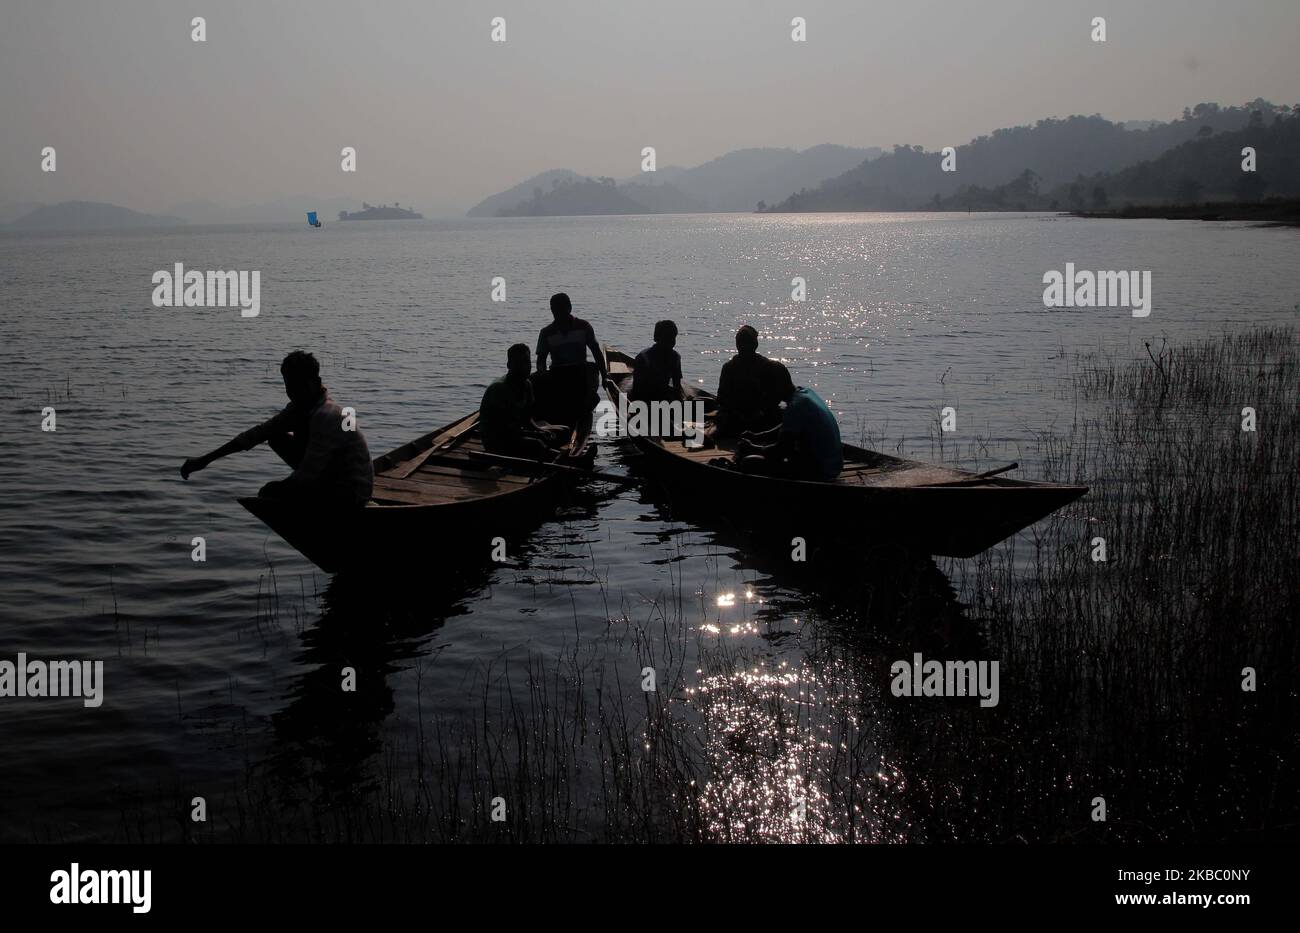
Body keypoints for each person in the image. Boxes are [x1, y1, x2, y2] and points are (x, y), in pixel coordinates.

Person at [180, 350, 373, 506]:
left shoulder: (327, 416)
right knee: (275, 436)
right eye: (289, 386)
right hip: (329, 480)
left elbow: (309, 471)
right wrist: (205, 459)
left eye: (299, 386)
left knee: (270, 491)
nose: (293, 392)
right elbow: (257, 434)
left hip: (352, 493)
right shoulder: (300, 408)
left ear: (315, 382)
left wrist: (280, 490)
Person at [734, 365, 843, 481]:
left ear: (776, 386)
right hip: (834, 466)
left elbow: (781, 451)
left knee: (749, 462)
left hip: (821, 472)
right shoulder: (804, 393)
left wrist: (752, 448)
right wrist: (759, 436)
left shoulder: (796, 407)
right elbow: (789, 426)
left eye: (766, 389)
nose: (764, 394)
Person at [480, 343, 570, 459]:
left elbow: (527, 419)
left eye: (527, 362)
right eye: (519, 363)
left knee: (564, 432)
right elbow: (503, 429)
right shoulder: (499, 389)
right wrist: (533, 434)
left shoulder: (527, 385)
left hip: (516, 433)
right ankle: (565, 459)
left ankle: (556, 455)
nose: (524, 366)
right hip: (496, 440)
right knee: (537, 444)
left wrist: (538, 430)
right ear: (509, 365)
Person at [535, 292, 608, 429]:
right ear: (551, 310)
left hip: (579, 371)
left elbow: (596, 352)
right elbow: (541, 360)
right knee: (533, 380)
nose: (558, 313)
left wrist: (605, 376)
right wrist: (542, 374)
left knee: (592, 368)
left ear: (569, 308)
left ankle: (585, 407)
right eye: (555, 309)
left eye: (561, 309)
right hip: (558, 372)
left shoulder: (583, 326)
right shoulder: (546, 332)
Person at [714, 325, 791, 437]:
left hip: (751, 418)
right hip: (747, 418)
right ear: (755, 345)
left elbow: (721, 399)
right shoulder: (765, 366)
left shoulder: (729, 367)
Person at [630, 320, 683, 403]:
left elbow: (677, 386)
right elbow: (637, 388)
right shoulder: (643, 358)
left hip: (662, 398)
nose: (671, 341)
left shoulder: (675, 357)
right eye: (667, 338)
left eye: (673, 338)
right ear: (656, 338)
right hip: (644, 399)